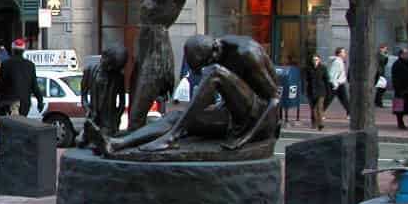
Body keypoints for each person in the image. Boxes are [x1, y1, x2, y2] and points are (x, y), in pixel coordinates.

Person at [104, 34, 280, 155]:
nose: (206, 68)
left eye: (206, 64)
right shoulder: (218, 52)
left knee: (215, 73)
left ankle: (172, 136)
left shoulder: (247, 52)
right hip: (231, 118)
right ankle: (117, 143)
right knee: (175, 116)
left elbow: (274, 100)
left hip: (256, 119)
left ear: (215, 51)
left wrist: (246, 139)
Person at [127, 0, 197, 128]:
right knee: (135, 90)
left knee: (142, 95)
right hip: (144, 38)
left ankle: (135, 133)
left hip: (156, 41)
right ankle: (133, 133)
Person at [80, 44, 128, 149]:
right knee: (81, 142)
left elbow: (122, 102)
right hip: (93, 116)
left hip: (109, 120)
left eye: (114, 67)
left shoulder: (118, 76)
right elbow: (83, 95)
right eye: (111, 65)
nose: (111, 69)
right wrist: (87, 109)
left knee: (103, 143)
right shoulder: (89, 71)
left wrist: (117, 117)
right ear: (105, 57)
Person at [0, 38, 43, 118]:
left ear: (13, 50)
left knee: (10, 127)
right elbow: (34, 86)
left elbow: (1, 84)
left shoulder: (6, 64)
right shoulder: (30, 65)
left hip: (9, 102)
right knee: (21, 126)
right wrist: (40, 100)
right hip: (24, 103)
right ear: (23, 50)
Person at [302, 53, 329, 130]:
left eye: (316, 60)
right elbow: (304, 79)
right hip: (311, 91)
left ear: (319, 60)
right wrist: (304, 89)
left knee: (319, 108)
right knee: (313, 109)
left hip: (321, 91)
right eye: (313, 60)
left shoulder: (323, 68)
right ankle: (314, 123)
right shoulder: (308, 68)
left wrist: (328, 90)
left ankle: (320, 124)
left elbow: (326, 80)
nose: (315, 61)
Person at [327, 47, 350, 115]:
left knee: (344, 100)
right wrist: (335, 84)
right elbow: (332, 74)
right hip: (336, 84)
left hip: (339, 84)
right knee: (328, 99)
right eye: (343, 52)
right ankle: (319, 112)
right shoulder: (337, 62)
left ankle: (350, 113)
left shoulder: (340, 61)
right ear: (339, 53)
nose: (345, 53)